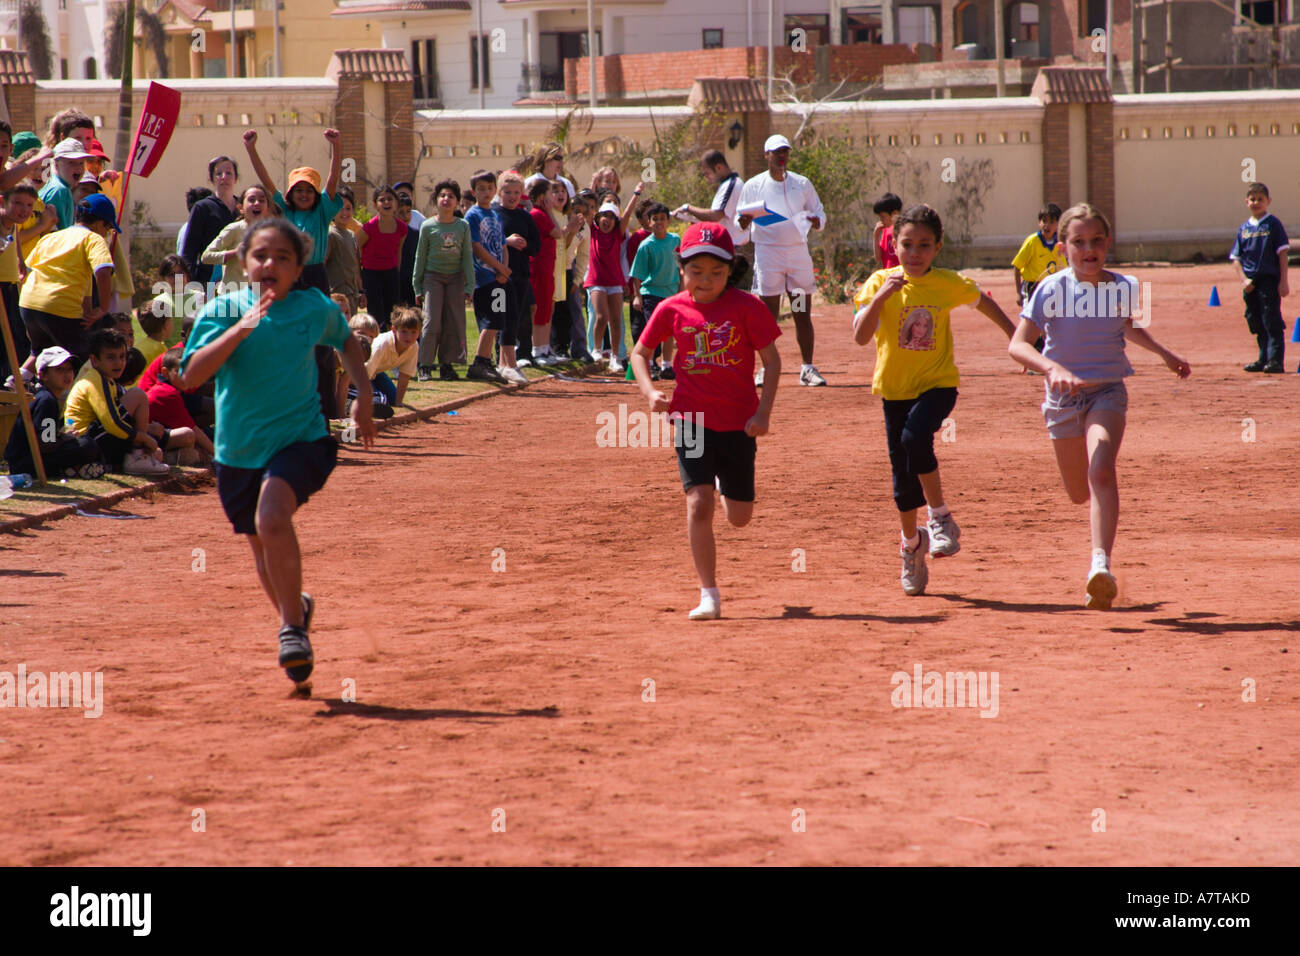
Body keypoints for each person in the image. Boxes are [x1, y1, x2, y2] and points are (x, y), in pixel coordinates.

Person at [178, 217, 375, 689]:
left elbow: (346, 339)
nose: (270, 263)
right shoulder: (222, 311)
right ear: (245, 262)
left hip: (301, 440)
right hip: (237, 450)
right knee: (260, 543)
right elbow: (189, 376)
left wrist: (363, 395)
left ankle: (290, 630)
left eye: (282, 257)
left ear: (298, 267)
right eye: (261, 255)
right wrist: (241, 329)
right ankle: (296, 610)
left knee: (271, 519)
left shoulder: (313, 308)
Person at [1009, 202, 1191, 609]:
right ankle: (1097, 544)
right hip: (1062, 399)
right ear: (1062, 246)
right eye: (1078, 242)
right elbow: (1017, 345)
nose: (1088, 249)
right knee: (1078, 492)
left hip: (1107, 390)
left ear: (1107, 244)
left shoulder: (1125, 286)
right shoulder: (1050, 289)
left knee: (1102, 471)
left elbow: (1126, 327)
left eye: (1095, 241)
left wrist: (1164, 354)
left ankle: (1099, 567)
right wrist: (1050, 367)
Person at [851, 203, 1016, 597]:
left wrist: (1016, 337)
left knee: (915, 438)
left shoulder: (946, 283)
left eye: (925, 245)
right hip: (894, 391)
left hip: (938, 384)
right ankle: (912, 545)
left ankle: (941, 518)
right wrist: (880, 298)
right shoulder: (879, 282)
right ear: (894, 243)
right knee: (902, 487)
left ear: (937, 247)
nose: (915, 253)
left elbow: (983, 301)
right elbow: (859, 336)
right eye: (907, 244)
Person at [630, 222, 781, 621]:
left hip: (739, 424)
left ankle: (722, 481)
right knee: (699, 504)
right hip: (691, 420)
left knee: (739, 518)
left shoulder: (748, 308)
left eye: (716, 272)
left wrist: (763, 412)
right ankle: (709, 594)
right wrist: (649, 393)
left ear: (730, 270)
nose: (706, 280)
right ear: (681, 270)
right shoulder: (671, 307)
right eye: (696, 271)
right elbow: (639, 354)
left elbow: (773, 361)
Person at [243, 127, 345, 420]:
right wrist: (251, 149)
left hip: (315, 278)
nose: (303, 194)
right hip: (290, 280)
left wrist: (336, 147)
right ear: (290, 194)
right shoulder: (284, 212)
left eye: (308, 190)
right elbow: (266, 182)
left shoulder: (322, 212)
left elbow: (333, 181)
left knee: (321, 346)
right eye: (298, 190)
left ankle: (324, 415)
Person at [738, 134, 828, 387]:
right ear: (766, 155)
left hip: (797, 255)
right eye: (776, 152)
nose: (781, 156)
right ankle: (767, 368)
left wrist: (817, 221)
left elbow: (819, 212)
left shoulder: (802, 183)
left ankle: (807, 368)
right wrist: (743, 221)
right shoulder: (753, 185)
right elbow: (740, 219)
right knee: (768, 316)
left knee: (801, 311)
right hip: (769, 255)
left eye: (785, 151)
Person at [18, 194, 117, 371]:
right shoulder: (93, 239)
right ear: (100, 224)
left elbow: (27, 270)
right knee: (83, 359)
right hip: (59, 306)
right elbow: (103, 271)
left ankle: (18, 380)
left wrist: (87, 314)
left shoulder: (52, 237)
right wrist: (103, 308)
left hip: (29, 304)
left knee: (40, 352)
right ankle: (73, 395)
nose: (107, 234)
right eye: (108, 228)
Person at [64, 328, 171, 476]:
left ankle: (135, 457)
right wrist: (145, 438)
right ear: (94, 360)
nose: (118, 363)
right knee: (137, 395)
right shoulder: (95, 381)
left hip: (92, 439)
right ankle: (136, 458)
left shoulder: (107, 380)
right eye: (111, 357)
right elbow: (112, 423)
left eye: (122, 357)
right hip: (83, 443)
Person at [3, 346, 105, 480]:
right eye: (59, 370)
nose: (67, 374)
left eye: (69, 369)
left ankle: (74, 469)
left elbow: (46, 437)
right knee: (87, 444)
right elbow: (46, 443)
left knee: (86, 442)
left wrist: (62, 436)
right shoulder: (47, 400)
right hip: (27, 464)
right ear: (43, 375)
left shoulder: (45, 396)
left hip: (23, 461)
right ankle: (71, 469)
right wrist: (66, 438)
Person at [413, 178, 473, 381]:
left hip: (456, 279)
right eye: (442, 195)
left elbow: (467, 256)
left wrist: (470, 285)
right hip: (433, 278)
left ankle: (447, 364)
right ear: (436, 200)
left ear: (457, 201)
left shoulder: (462, 226)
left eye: (451, 196)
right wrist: (417, 286)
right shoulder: (428, 226)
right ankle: (424, 365)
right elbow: (420, 257)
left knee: (452, 322)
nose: (446, 199)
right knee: (431, 322)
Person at [1230, 182, 1290, 373]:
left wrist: (1283, 281)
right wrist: (1244, 280)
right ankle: (1262, 358)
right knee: (1255, 320)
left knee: (1271, 319)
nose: (1256, 202)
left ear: (1268, 201)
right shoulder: (1244, 229)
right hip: (1250, 283)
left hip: (1268, 280)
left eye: (1260, 199)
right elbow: (1236, 259)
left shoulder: (1273, 224)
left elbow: (1282, 254)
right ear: (1247, 201)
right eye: (1253, 199)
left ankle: (1275, 360)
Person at [585, 185, 645, 373]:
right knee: (601, 316)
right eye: (604, 216)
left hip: (615, 282)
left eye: (612, 218)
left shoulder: (617, 235)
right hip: (596, 281)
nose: (607, 221)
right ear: (598, 217)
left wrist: (635, 194)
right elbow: (587, 210)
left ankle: (615, 357)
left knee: (616, 320)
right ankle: (596, 350)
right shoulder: (592, 231)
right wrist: (590, 190)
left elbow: (626, 214)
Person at [673, 149, 750, 284]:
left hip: (733, 247)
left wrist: (688, 208)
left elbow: (715, 215)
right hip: (729, 246)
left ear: (719, 167)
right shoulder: (726, 185)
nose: (707, 178)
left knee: (728, 294)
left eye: (707, 173)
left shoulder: (731, 184)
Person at [463, 169, 511, 384]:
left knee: (498, 318)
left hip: (499, 278)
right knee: (490, 318)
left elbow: (503, 245)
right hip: (483, 277)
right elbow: (476, 247)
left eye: (490, 188)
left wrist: (504, 270)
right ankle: (479, 363)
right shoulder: (472, 215)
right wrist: (499, 268)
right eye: (481, 189)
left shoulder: (495, 214)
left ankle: (486, 360)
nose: (486, 192)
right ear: (474, 191)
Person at [628, 201, 680, 380]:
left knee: (670, 331)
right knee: (654, 330)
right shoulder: (646, 245)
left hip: (672, 293)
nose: (659, 222)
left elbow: (683, 266)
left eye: (662, 219)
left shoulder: (675, 240)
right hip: (651, 293)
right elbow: (637, 274)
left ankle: (666, 365)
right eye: (654, 219)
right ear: (648, 222)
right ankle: (649, 365)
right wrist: (637, 297)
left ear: (668, 221)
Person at [526, 177, 574, 366]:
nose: (552, 197)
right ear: (541, 197)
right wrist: (549, 211)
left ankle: (545, 349)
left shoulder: (544, 214)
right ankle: (538, 350)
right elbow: (557, 233)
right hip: (538, 269)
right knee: (540, 311)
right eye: (548, 194)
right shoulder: (538, 214)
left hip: (548, 268)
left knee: (547, 310)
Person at [496, 171, 539, 375]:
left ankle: (509, 362)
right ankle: (499, 361)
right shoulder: (494, 214)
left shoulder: (525, 216)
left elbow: (536, 246)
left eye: (516, 192)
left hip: (520, 276)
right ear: (499, 192)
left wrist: (523, 245)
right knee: (499, 317)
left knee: (515, 318)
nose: (512, 196)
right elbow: (486, 243)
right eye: (507, 192)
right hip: (499, 277)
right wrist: (507, 241)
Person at [147, 348, 214, 466]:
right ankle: (166, 457)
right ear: (165, 372)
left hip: (156, 434)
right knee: (188, 435)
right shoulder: (167, 393)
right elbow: (194, 430)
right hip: (147, 439)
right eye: (179, 372)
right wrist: (217, 455)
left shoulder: (169, 389)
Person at [180, 156, 240, 286]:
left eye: (229, 173)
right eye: (218, 174)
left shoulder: (244, 207)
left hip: (239, 280)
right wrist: (187, 285)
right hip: (208, 281)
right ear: (211, 179)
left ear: (236, 177)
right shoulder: (202, 208)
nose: (224, 177)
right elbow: (189, 251)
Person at [201, 184, 271, 293]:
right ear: (240, 208)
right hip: (231, 295)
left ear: (267, 208)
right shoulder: (234, 229)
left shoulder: (271, 234)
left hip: (256, 297)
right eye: (251, 200)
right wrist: (234, 253)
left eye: (262, 200)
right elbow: (206, 256)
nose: (257, 203)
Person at [0, 184, 36, 381]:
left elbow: (15, 240)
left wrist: (20, 261)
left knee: (18, 340)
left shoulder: (13, 222)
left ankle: (13, 384)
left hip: (10, 285)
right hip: (1, 285)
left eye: (29, 205)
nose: (25, 210)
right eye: (18, 203)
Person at [356, 185, 404, 331]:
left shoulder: (402, 228)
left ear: (396, 203)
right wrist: (359, 276)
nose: (386, 203)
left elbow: (399, 252)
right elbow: (355, 248)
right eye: (382, 200)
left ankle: (391, 344)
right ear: (375, 205)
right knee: (375, 315)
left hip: (391, 273)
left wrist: (397, 273)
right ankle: (375, 342)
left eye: (390, 199)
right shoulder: (369, 227)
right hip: (371, 274)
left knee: (392, 314)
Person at [365, 306, 420, 406]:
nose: (409, 337)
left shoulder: (414, 346)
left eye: (413, 332)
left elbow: (405, 374)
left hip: (376, 373)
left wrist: (398, 402)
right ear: (394, 329)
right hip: (360, 375)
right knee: (376, 401)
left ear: (419, 332)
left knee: (393, 399)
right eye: (404, 331)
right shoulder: (381, 345)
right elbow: (364, 376)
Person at [40, 138, 95, 230]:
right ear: (56, 164)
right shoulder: (60, 190)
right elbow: (63, 234)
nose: (78, 168)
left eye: (81, 163)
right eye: (71, 163)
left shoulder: (52, 184)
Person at [325, 185, 363, 314]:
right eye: (340, 208)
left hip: (352, 295)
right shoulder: (330, 234)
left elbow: (355, 267)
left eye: (348, 208)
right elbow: (323, 265)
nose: (344, 213)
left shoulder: (352, 235)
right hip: (336, 296)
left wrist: (361, 291)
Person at [872, 192, 902, 271]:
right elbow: (878, 258)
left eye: (883, 217)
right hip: (888, 275)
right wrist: (876, 236)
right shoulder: (886, 231)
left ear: (894, 214)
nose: (881, 220)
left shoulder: (904, 232)